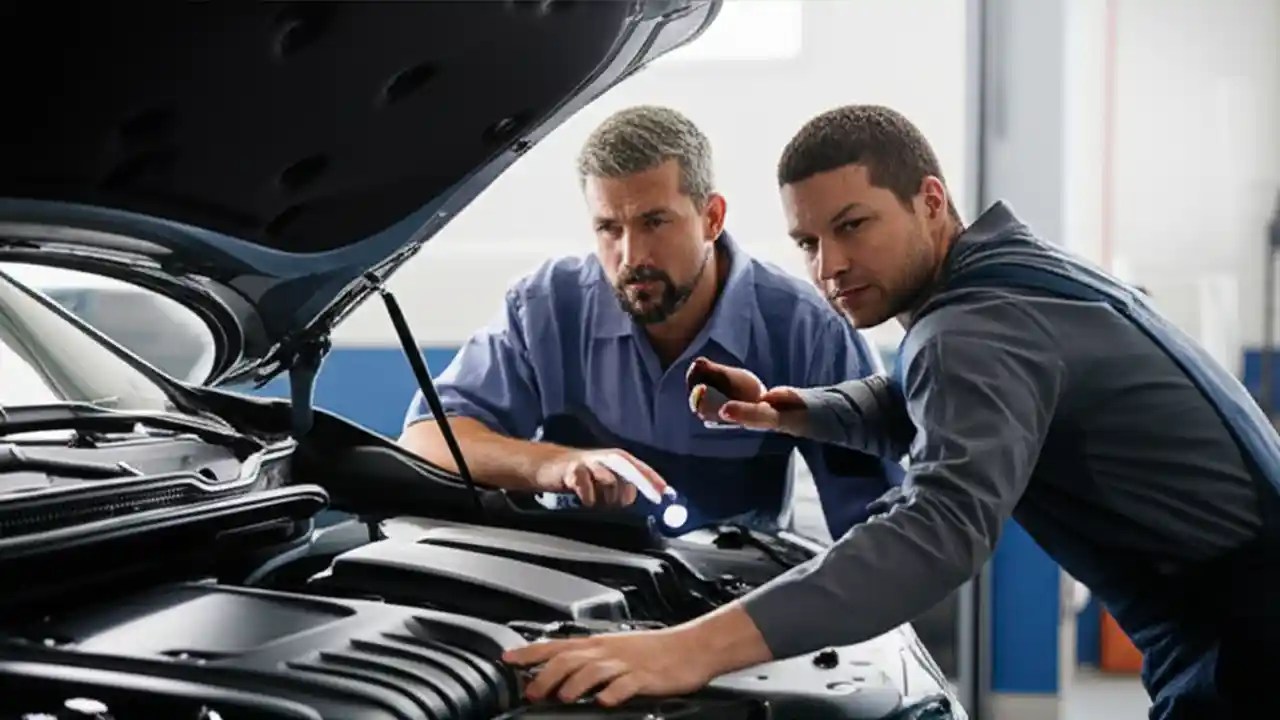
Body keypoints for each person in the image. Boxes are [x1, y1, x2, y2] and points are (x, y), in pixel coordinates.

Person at [502, 104, 1280, 719]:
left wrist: (689, 650)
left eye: (853, 226)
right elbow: (925, 393)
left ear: (929, 200)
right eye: (807, 241)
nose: (829, 266)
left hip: (1243, 638)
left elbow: (935, 531)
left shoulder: (970, 330)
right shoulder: (1011, 274)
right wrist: (796, 412)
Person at [398, 105, 900, 537]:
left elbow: (878, 527)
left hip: (738, 603)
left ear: (712, 218)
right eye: (609, 228)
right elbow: (426, 438)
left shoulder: (807, 330)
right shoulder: (547, 307)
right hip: (573, 590)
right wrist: (555, 465)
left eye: (654, 222)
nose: (631, 255)